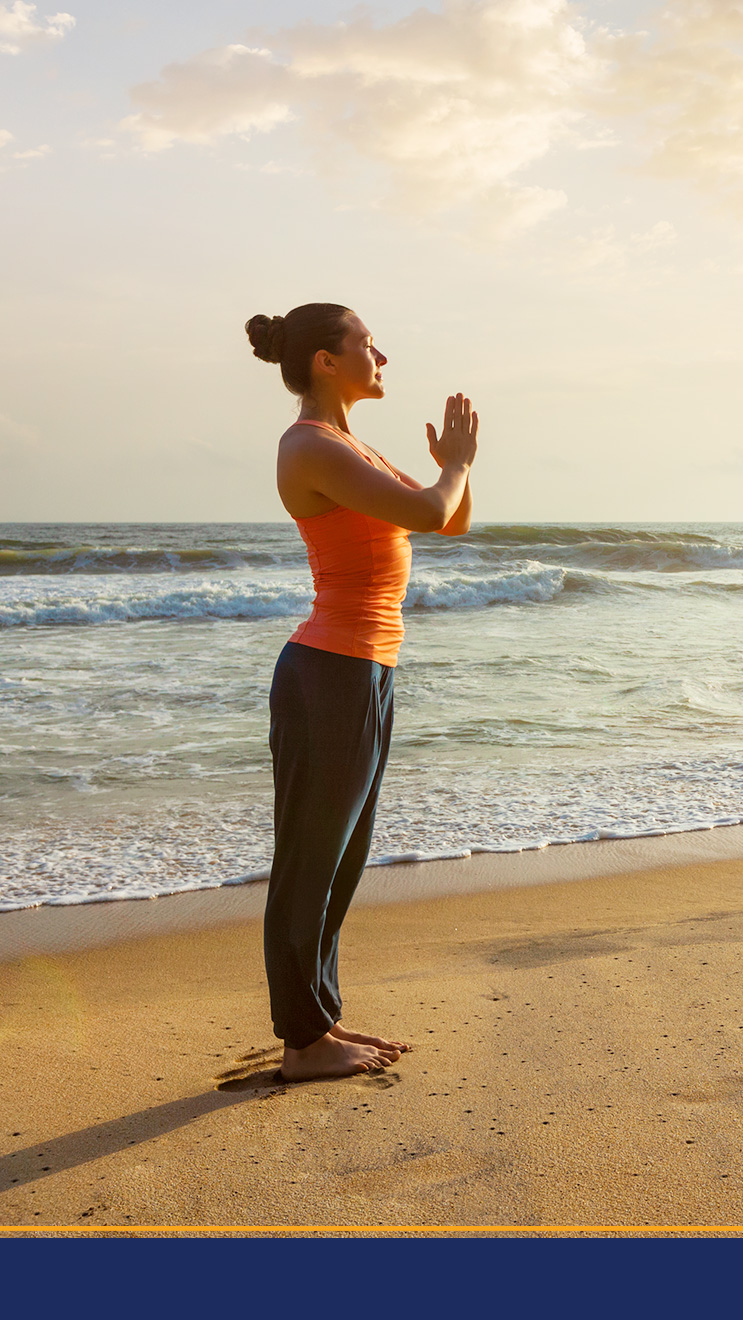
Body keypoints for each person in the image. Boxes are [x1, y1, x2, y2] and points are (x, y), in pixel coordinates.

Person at [245, 302, 477, 1082]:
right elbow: (429, 506)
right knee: (311, 858)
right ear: (325, 361)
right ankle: (302, 1041)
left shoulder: (353, 445)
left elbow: (450, 521)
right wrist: (457, 468)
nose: (383, 355)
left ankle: (321, 1017)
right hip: (329, 672)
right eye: (367, 344)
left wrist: (456, 466)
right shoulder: (310, 447)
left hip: (368, 668)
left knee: (345, 857)